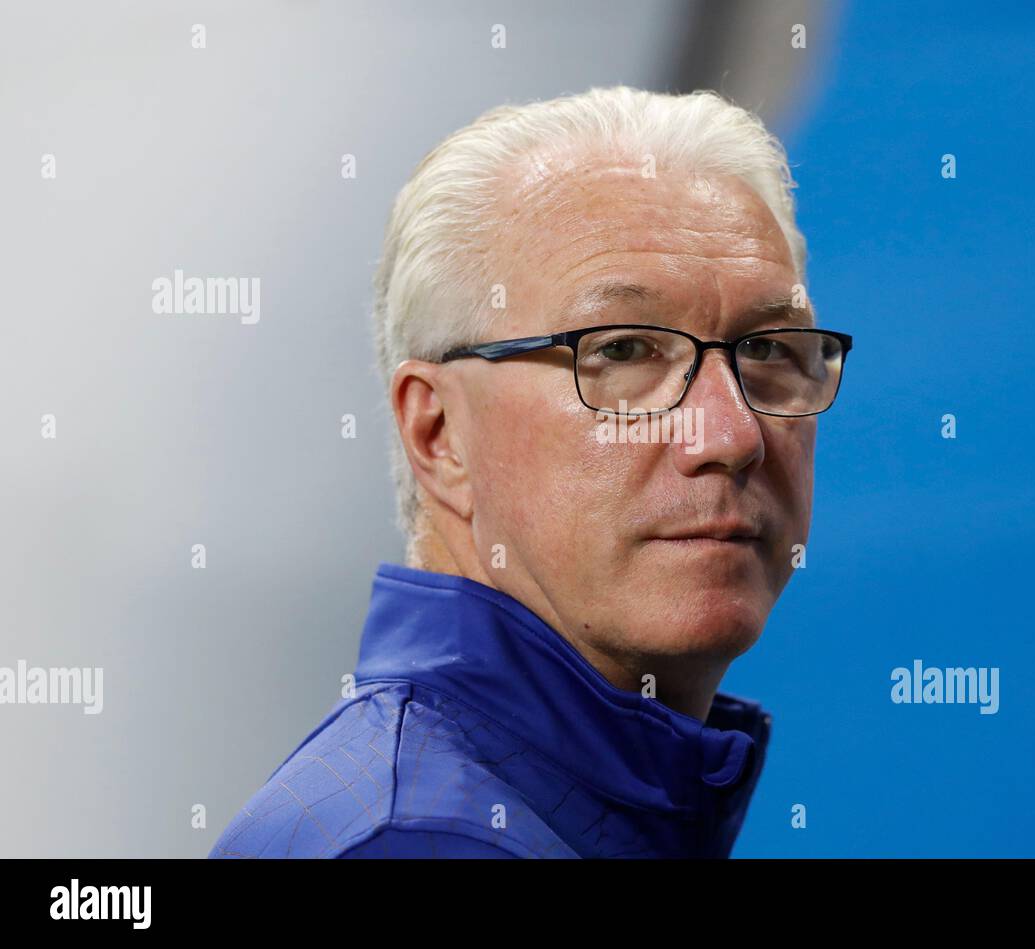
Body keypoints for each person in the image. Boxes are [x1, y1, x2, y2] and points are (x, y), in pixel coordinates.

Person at [209, 85, 851, 859]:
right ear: (439, 432)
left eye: (769, 349)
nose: (729, 431)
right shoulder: (420, 843)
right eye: (621, 351)